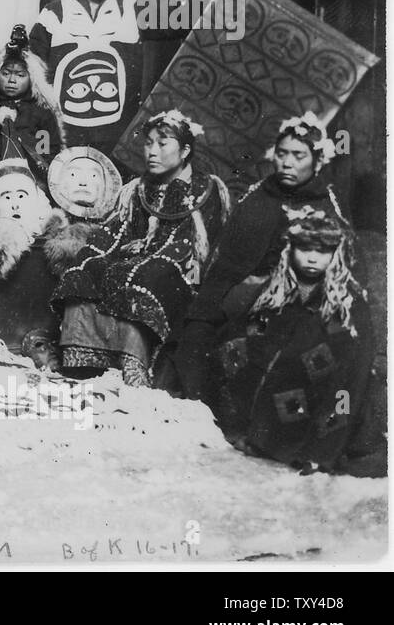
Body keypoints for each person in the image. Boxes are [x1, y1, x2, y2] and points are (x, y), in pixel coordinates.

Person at [174, 112, 348, 403]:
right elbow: (227, 254)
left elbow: (327, 270)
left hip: (284, 301)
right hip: (233, 290)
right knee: (195, 335)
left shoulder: (324, 207)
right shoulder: (261, 194)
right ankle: (194, 405)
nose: (287, 163)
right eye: (282, 154)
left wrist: (262, 288)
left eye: (298, 156)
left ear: (317, 161)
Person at [53, 110, 229, 387]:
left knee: (142, 275)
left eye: (163, 144)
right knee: (86, 265)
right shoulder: (138, 189)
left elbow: (192, 247)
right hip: (139, 259)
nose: (152, 152)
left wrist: (145, 259)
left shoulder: (206, 190)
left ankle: (134, 366)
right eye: (148, 143)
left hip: (183, 272)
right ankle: (83, 362)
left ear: (185, 151)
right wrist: (94, 254)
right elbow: (117, 231)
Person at [210, 207, 374, 473]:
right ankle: (246, 427)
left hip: (319, 394)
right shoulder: (275, 291)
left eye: (322, 251)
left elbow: (352, 373)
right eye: (304, 248)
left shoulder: (347, 304)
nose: (312, 258)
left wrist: (322, 449)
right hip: (272, 388)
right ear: (290, 250)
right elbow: (246, 336)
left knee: (343, 387)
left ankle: (315, 449)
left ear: (335, 255)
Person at [29, 0, 143, 168]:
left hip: (117, 135)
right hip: (66, 134)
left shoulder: (132, 9)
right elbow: (32, 73)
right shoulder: (54, 13)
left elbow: (188, 18)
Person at [0, 24, 63, 179]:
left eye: (20, 75)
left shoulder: (41, 113)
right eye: (6, 73)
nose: (12, 80)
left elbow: (47, 151)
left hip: (30, 176)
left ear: (32, 79)